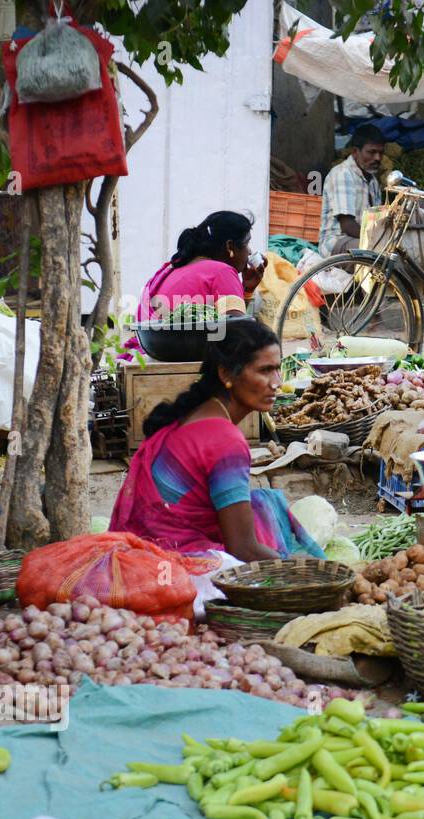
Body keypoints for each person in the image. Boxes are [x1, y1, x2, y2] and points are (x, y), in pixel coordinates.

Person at [110, 320, 324, 616]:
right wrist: (308, 578)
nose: (277, 382)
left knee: (265, 503)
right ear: (226, 374)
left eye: (278, 368)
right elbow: (243, 548)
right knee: (245, 574)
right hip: (170, 567)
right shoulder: (226, 440)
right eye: (264, 370)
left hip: (145, 556)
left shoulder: (195, 413)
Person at [137, 211, 261, 323]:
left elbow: (228, 321)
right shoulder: (222, 272)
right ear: (230, 246)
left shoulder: (171, 268)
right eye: (247, 243)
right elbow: (237, 333)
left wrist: (247, 290)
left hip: (151, 346)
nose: (249, 252)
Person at [319, 125, 384, 255]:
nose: (377, 158)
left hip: (359, 241)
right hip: (337, 243)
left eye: (381, 153)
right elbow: (347, 225)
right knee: (377, 254)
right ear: (355, 151)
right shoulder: (343, 174)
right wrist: (378, 241)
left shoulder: (373, 181)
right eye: (371, 152)